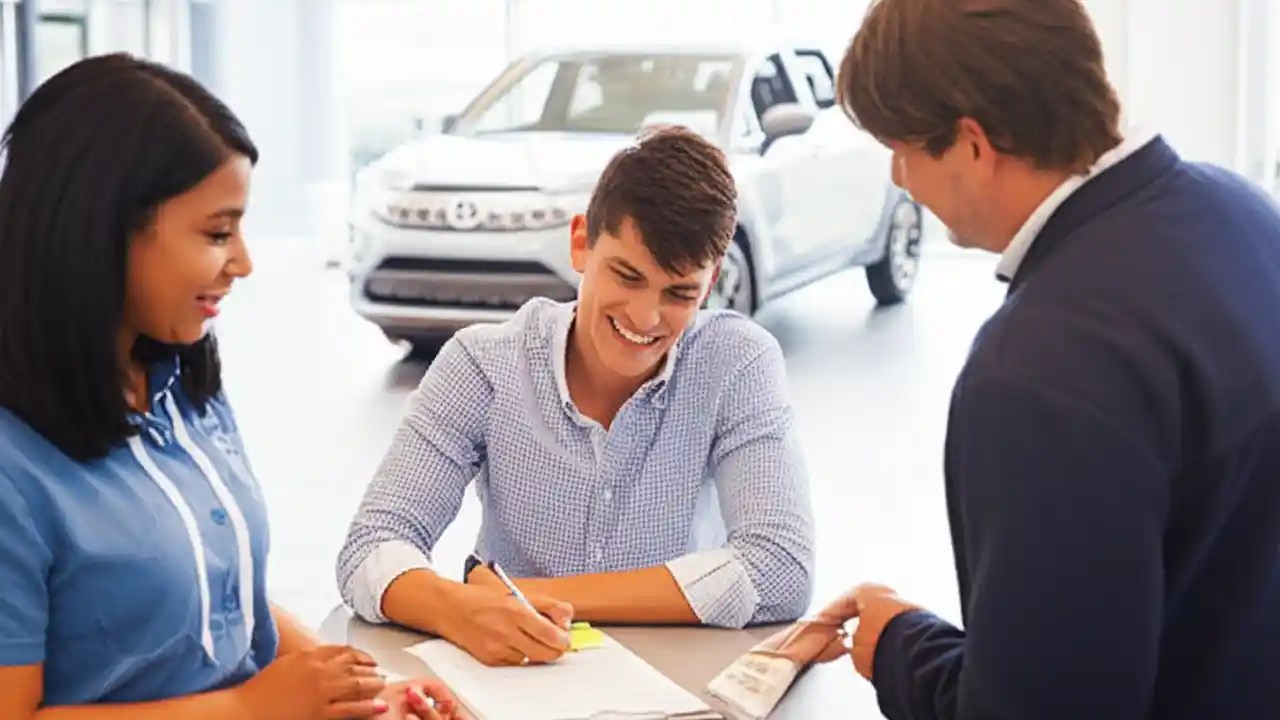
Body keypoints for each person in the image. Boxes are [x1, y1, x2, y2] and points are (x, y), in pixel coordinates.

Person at [809, 1, 1280, 718]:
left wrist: (901, 647)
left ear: (971, 144)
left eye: (902, 150)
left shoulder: (1039, 367)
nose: (901, 180)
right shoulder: (1244, 216)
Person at [0, 54, 460, 720]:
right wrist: (248, 709)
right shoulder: (15, 464)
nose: (243, 262)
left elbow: (219, 605)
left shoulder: (183, 388)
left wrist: (356, 692)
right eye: (218, 232)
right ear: (102, 229)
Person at [337, 125, 815, 667]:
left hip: (676, 686)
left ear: (708, 286)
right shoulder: (483, 365)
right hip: (515, 681)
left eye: (679, 293)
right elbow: (370, 548)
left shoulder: (737, 362)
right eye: (626, 276)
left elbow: (779, 567)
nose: (645, 317)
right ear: (581, 242)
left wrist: (532, 595)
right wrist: (461, 609)